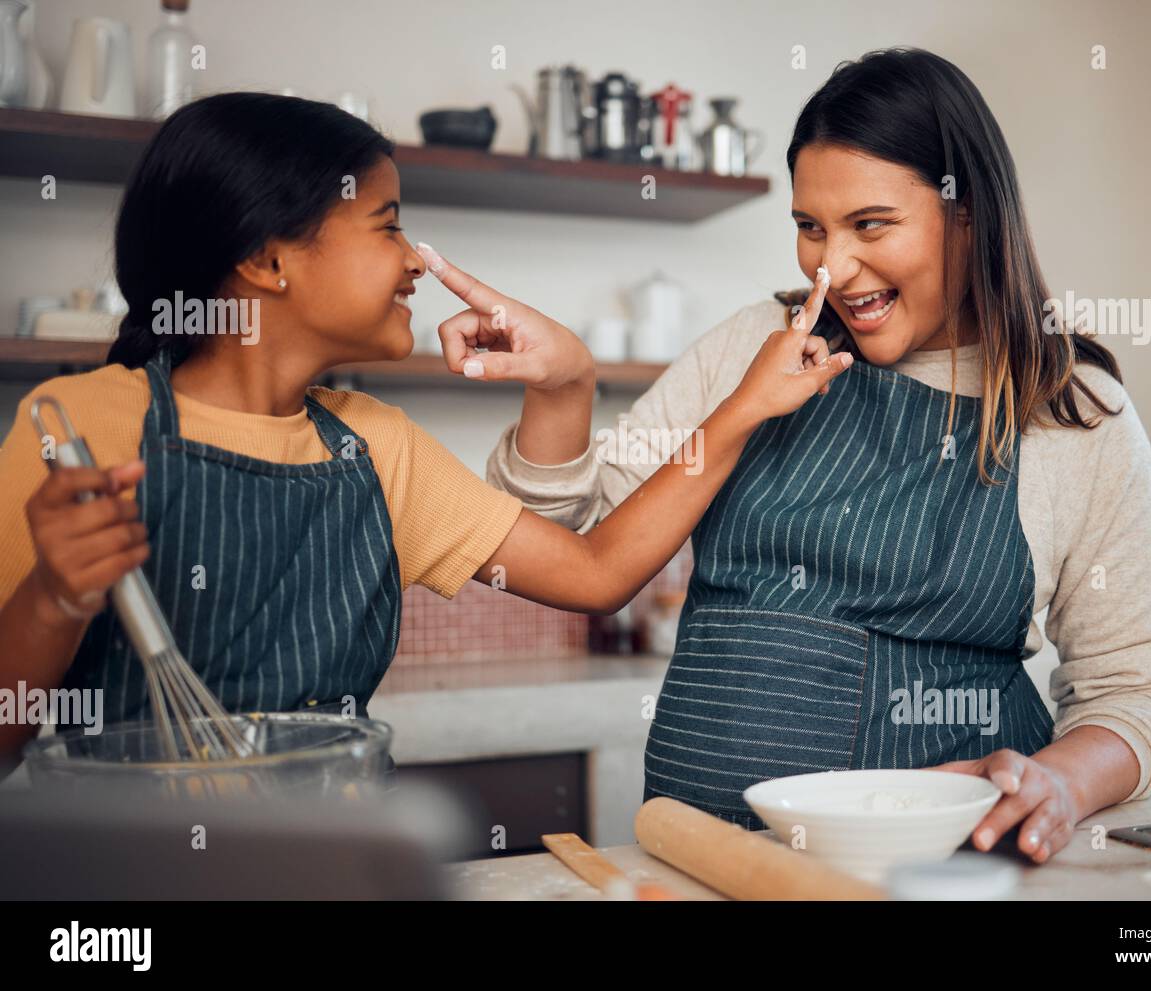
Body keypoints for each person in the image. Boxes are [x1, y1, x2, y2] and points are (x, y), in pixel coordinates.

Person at [449, 49, 1151, 864]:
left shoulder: (1073, 414)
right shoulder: (751, 347)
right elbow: (562, 541)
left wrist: (1062, 782)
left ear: (969, 212)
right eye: (810, 227)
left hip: (948, 871)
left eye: (870, 225)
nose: (830, 267)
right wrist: (562, 387)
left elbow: (1137, 692)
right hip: (707, 863)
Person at [0, 92, 851, 772]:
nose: (415, 260)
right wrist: (56, 597)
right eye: (387, 224)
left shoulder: (379, 445)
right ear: (267, 260)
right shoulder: (83, 425)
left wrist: (603, 382)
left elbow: (598, 574)